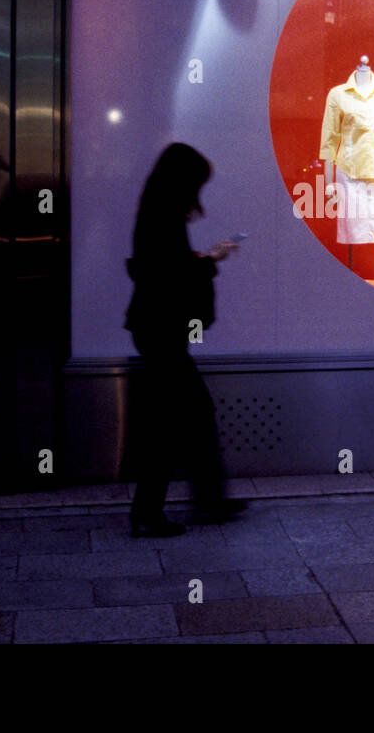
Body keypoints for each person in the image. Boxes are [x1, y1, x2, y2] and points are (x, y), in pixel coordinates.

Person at [124, 143, 244, 537]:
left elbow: (160, 265)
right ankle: (152, 512)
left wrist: (202, 257)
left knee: (185, 416)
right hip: (162, 330)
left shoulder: (155, 210)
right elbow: (168, 273)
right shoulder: (163, 216)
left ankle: (202, 502)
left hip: (155, 328)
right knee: (178, 419)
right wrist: (211, 260)